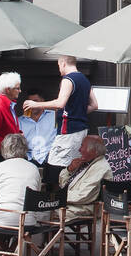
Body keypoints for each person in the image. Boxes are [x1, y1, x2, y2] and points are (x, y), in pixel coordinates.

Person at [23, 56, 97, 184]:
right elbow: (94, 105)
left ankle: (54, 199)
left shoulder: (68, 79)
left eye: (58, 66)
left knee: (54, 165)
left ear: (63, 63)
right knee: (72, 165)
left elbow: (60, 103)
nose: (59, 69)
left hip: (68, 131)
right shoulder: (84, 79)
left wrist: (36, 105)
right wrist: (77, 113)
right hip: (81, 130)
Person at [0, 133, 45, 230]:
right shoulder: (34, 168)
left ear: (4, 149)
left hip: (2, 221)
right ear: (25, 148)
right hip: (28, 222)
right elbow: (36, 197)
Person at [59, 134, 111, 222]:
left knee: (45, 212)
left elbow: (83, 195)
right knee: (43, 210)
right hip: (71, 203)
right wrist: (69, 169)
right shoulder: (85, 163)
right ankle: (53, 234)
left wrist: (58, 198)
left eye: (82, 146)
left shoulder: (100, 167)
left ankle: (54, 235)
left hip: (84, 206)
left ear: (93, 150)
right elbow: (63, 183)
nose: (79, 150)